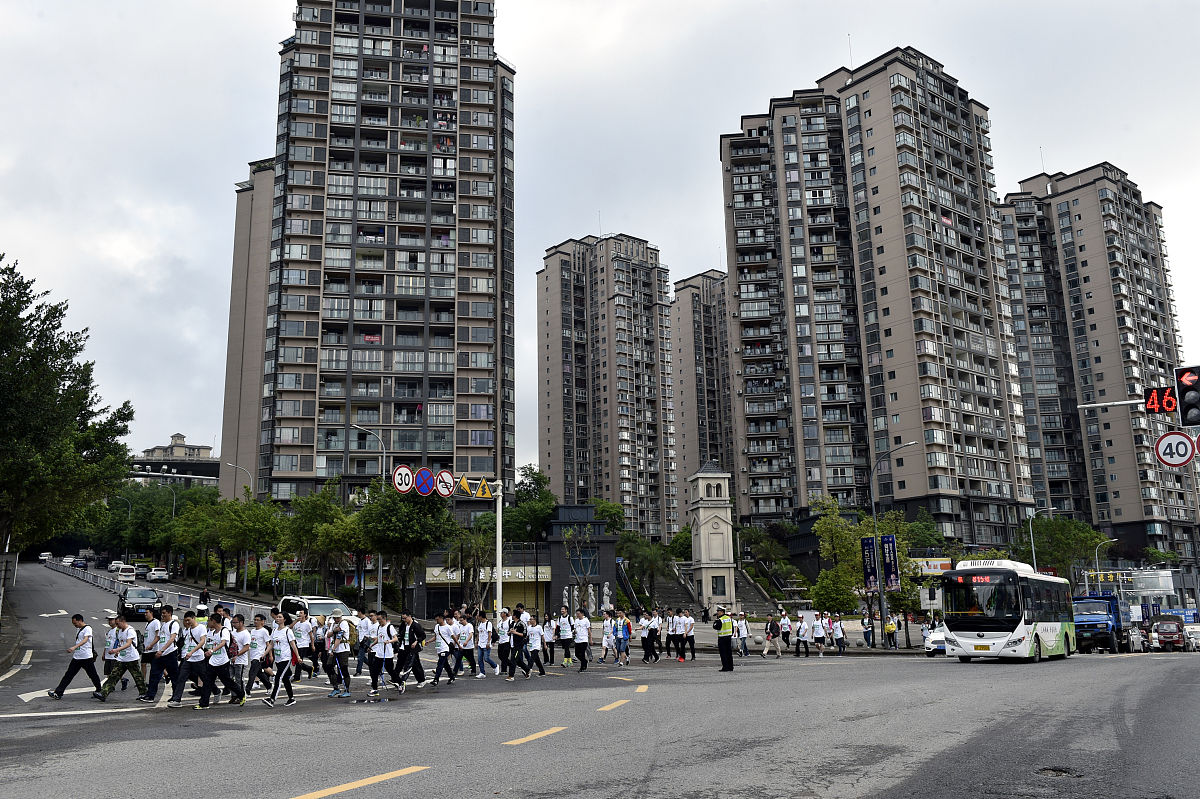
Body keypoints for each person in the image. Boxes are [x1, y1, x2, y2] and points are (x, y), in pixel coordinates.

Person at [48, 614, 103, 699]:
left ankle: (99, 690)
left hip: (86, 657)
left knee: (93, 675)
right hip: (77, 656)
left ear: (80, 620)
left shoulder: (88, 628)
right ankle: (58, 693)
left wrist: (74, 647)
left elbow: (85, 640)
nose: (74, 625)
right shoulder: (78, 629)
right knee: (68, 675)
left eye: (75, 623)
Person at [93, 614, 147, 702]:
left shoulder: (130, 630)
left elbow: (128, 643)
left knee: (138, 677)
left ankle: (143, 693)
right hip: (122, 658)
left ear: (123, 621)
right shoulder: (119, 631)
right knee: (113, 675)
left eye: (118, 624)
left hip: (131, 658)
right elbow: (121, 643)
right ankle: (103, 693)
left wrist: (116, 650)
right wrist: (117, 652)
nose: (117, 626)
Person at [200, 615, 244, 708]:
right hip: (212, 661)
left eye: (209, 621)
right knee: (207, 682)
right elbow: (211, 644)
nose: (207, 623)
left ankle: (241, 694)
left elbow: (223, 643)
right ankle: (204, 704)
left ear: (214, 621)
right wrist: (208, 651)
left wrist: (212, 651)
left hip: (223, 662)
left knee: (227, 682)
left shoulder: (224, 631)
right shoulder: (212, 633)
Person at [140, 605, 180, 702]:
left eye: (164, 613)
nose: (162, 615)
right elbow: (159, 637)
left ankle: (176, 697)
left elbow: (172, 638)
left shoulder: (173, 624)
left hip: (170, 653)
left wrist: (162, 650)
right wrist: (151, 646)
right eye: (162, 613)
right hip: (161, 654)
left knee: (174, 676)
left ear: (169, 613)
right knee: (154, 674)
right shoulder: (163, 625)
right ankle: (150, 696)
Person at [169, 611, 207, 708]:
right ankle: (177, 700)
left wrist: (192, 652)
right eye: (185, 620)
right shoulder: (188, 630)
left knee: (205, 678)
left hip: (199, 658)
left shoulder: (201, 628)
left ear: (194, 618)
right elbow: (186, 644)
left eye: (188, 620)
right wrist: (184, 655)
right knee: (181, 678)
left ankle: (214, 691)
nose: (187, 622)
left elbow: (202, 641)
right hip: (188, 659)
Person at [262, 609, 298, 707]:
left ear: (284, 620)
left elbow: (293, 645)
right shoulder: (274, 631)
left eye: (280, 617)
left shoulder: (288, 631)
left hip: (285, 658)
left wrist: (298, 656)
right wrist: (265, 654)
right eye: (277, 617)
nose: (277, 618)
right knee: (285, 679)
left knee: (278, 677)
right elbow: (271, 644)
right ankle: (291, 698)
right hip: (278, 658)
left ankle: (272, 699)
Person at [244, 614, 274, 697]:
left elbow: (268, 644)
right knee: (259, 673)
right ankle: (269, 686)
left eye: (258, 620)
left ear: (262, 621)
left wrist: (270, 655)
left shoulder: (264, 631)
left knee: (252, 673)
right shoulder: (253, 631)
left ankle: (247, 690)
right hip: (253, 655)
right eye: (255, 620)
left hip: (260, 655)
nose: (256, 621)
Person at [397, 611, 427, 687]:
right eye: (402, 618)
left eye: (405, 618)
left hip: (413, 648)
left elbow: (423, 635)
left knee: (409, 664)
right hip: (405, 647)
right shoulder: (404, 625)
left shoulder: (415, 625)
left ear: (409, 616)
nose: (404, 620)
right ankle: (421, 680)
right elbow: (401, 635)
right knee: (415, 665)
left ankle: (403, 681)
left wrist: (416, 641)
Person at [228, 614, 251, 702]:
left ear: (241, 622)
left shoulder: (245, 634)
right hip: (231, 660)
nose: (234, 624)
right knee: (230, 678)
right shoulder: (233, 633)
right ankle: (234, 695)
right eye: (233, 622)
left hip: (240, 661)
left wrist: (236, 655)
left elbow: (246, 647)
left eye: (235, 622)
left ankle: (241, 696)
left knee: (239, 679)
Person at [432, 612, 457, 686]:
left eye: (437, 619)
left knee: (440, 664)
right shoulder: (437, 626)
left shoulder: (447, 627)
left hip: (445, 648)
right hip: (439, 648)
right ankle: (451, 677)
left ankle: (436, 679)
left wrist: (458, 645)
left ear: (442, 618)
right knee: (445, 664)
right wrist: (429, 641)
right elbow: (436, 636)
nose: (436, 621)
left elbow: (453, 637)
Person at [506, 610, 531, 681]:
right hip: (512, 644)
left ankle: (511, 676)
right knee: (518, 661)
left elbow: (524, 635)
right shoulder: (512, 623)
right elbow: (508, 633)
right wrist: (510, 632)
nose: (512, 616)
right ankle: (527, 669)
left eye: (513, 615)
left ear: (515, 616)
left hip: (518, 645)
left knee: (513, 660)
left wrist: (515, 632)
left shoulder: (521, 624)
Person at [293, 608, 317, 680]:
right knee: (296, 660)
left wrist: (312, 645)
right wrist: (296, 621)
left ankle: (297, 677)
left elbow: (311, 635)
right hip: (296, 644)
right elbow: (290, 627)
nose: (299, 614)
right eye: (299, 613)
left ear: (305, 615)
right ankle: (309, 669)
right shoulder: (297, 623)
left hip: (304, 644)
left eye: (301, 613)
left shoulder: (307, 624)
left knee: (299, 660)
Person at [475, 610, 498, 679]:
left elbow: (489, 633)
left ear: (481, 616)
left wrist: (488, 642)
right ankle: (482, 672)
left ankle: (495, 666)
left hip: (486, 644)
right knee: (479, 659)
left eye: (478, 615)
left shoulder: (488, 623)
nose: (477, 617)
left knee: (486, 658)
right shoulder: (480, 623)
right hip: (480, 644)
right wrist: (477, 642)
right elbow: (479, 633)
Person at [141, 608, 161, 684]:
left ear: (151, 613)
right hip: (146, 648)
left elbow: (158, 636)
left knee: (154, 666)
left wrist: (151, 644)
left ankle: (153, 681)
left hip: (153, 648)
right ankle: (143, 681)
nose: (145, 614)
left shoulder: (156, 622)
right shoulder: (147, 623)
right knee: (143, 664)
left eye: (147, 612)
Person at [454, 612, 477, 677]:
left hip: (469, 646)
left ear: (465, 619)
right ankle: (455, 671)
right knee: (458, 659)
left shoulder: (469, 626)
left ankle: (473, 671)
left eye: (462, 620)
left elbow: (471, 634)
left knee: (470, 659)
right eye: (460, 621)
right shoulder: (461, 626)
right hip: (462, 646)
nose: (461, 622)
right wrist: (458, 643)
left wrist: (466, 641)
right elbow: (459, 635)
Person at [353, 608, 374, 677]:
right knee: (361, 656)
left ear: (360, 612)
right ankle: (373, 667)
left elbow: (370, 631)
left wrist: (367, 639)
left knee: (360, 656)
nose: (357, 614)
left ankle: (358, 671)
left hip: (365, 640)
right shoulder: (360, 620)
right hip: (360, 640)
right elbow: (358, 630)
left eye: (358, 612)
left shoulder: (367, 621)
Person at [715, 606, 734, 672]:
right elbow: (732, 628)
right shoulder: (729, 618)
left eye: (718, 611)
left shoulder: (720, 619)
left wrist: (716, 622)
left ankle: (725, 667)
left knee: (723, 653)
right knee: (729, 653)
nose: (717, 612)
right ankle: (730, 667)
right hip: (728, 637)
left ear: (722, 612)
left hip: (722, 638)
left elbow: (716, 627)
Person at [495, 608, 512, 676]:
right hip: (501, 641)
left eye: (501, 613)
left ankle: (504, 670)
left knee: (505, 656)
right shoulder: (500, 621)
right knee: (500, 656)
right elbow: (498, 629)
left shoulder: (509, 621)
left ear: (505, 614)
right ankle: (511, 664)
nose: (500, 614)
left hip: (507, 641)